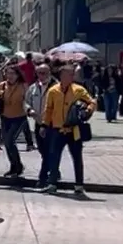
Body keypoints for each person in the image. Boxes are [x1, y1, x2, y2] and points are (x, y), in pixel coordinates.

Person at [41, 62, 95, 196]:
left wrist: (87, 111)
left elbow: (92, 102)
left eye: (71, 75)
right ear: (61, 76)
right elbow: (48, 109)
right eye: (66, 75)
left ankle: (79, 185)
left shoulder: (79, 90)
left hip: (74, 130)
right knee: (54, 156)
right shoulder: (53, 91)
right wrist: (44, 125)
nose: (69, 78)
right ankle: (52, 183)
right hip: (57, 129)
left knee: (77, 157)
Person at [0, 61, 29, 180]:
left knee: (9, 140)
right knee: (8, 144)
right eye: (8, 73)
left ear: (18, 74)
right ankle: (14, 166)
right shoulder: (2, 85)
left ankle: (18, 166)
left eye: (13, 73)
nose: (10, 76)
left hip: (19, 117)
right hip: (5, 117)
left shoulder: (23, 86)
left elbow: (27, 101)